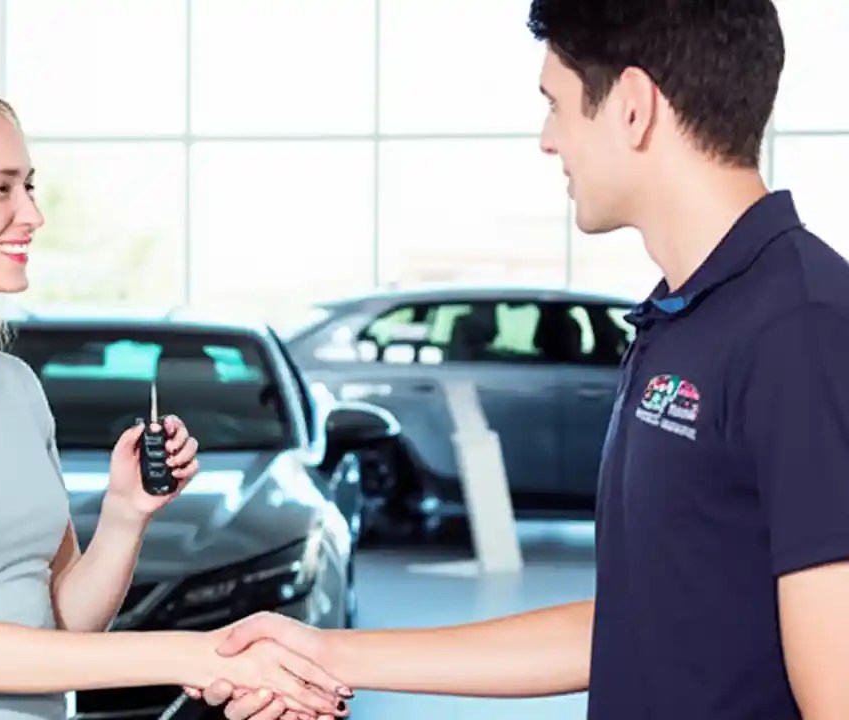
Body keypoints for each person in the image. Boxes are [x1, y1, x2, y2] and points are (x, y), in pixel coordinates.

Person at [191, 1, 849, 719]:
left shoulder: (804, 329)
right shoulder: (679, 319)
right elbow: (637, 628)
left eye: (556, 105)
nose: (547, 140)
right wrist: (328, 653)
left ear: (633, 108)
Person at [0, 87, 352, 720]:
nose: (32, 215)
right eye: (2, 188)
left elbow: (64, 627)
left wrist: (126, 514)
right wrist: (197, 655)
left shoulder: (15, 386)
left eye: (30, 186)